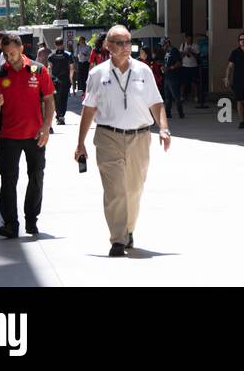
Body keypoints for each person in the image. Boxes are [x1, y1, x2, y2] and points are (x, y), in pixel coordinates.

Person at [75, 24, 170, 257]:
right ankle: (117, 239)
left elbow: (156, 103)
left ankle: (128, 230)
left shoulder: (143, 71)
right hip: (108, 136)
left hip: (139, 136)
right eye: (120, 42)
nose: (126, 47)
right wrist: (80, 143)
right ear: (108, 46)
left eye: (128, 42)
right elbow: (88, 109)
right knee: (115, 190)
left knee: (134, 190)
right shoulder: (97, 74)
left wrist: (164, 129)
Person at [0, 32, 55, 238]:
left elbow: (49, 100)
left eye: (13, 53)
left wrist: (46, 126)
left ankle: (31, 219)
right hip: (8, 135)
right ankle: (10, 223)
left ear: (21, 49)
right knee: (8, 180)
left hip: (35, 135)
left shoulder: (38, 69)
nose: (9, 58)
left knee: (36, 176)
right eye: (6, 54)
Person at [47, 41, 74, 125]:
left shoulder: (51, 56)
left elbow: (49, 68)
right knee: (64, 98)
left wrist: (49, 79)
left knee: (56, 99)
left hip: (55, 80)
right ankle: (62, 116)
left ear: (55, 44)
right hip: (65, 79)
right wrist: (71, 78)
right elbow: (72, 67)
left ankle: (58, 116)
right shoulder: (68, 55)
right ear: (63, 44)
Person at [162, 42, 184, 119]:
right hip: (167, 76)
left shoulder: (174, 51)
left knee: (176, 96)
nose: (163, 47)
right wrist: (163, 68)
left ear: (167, 44)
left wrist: (170, 68)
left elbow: (179, 63)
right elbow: (166, 63)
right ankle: (167, 113)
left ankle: (181, 113)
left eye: (163, 45)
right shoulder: (167, 52)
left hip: (173, 77)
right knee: (167, 96)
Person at [180, 34, 199, 104]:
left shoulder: (195, 46)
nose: (189, 40)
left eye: (191, 39)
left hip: (193, 66)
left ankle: (196, 96)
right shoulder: (183, 45)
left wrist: (192, 52)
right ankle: (182, 96)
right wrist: (185, 52)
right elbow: (180, 56)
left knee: (194, 82)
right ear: (186, 38)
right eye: (188, 38)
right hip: (185, 66)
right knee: (183, 83)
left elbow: (197, 57)